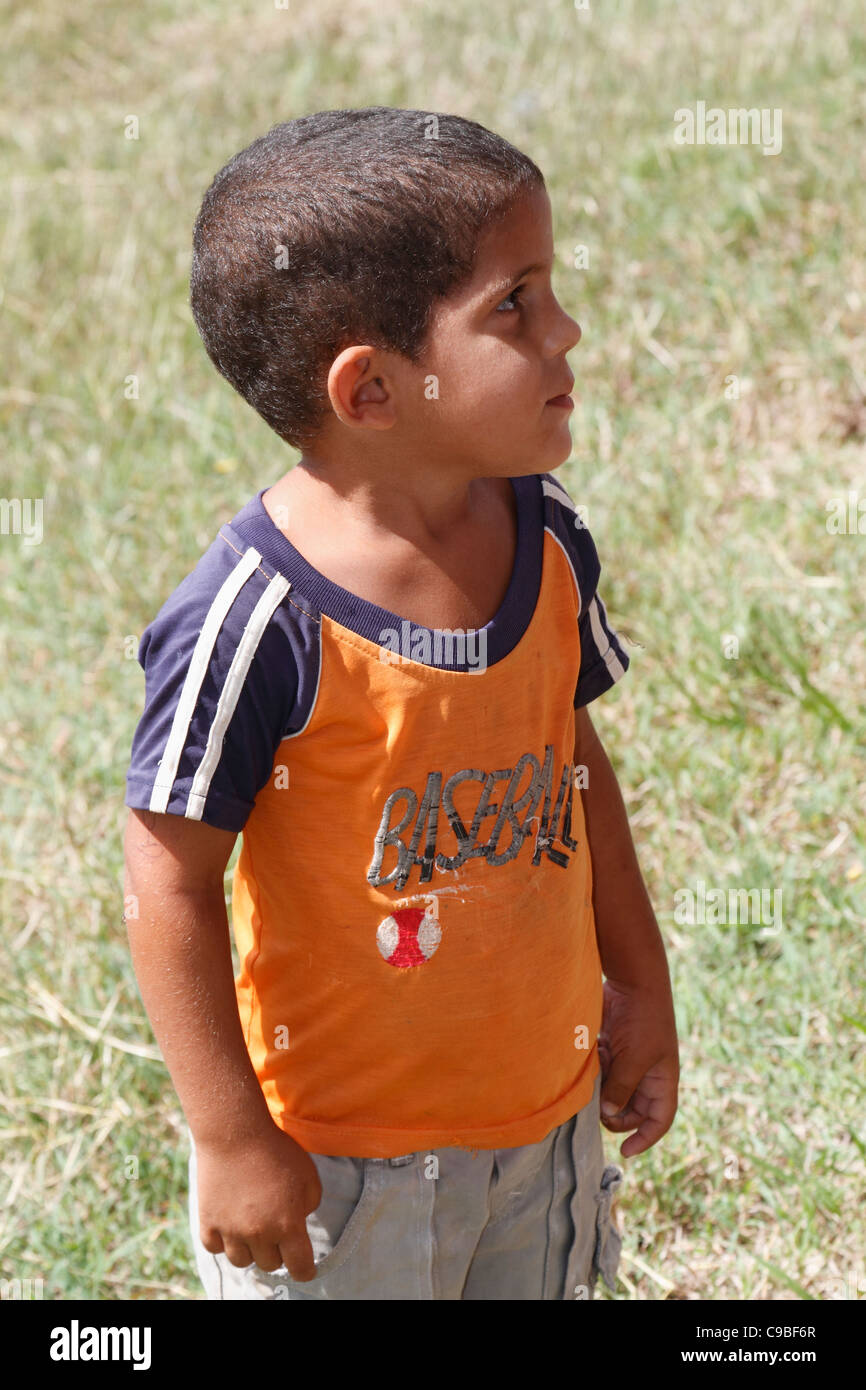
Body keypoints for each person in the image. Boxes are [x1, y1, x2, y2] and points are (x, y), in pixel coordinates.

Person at [122, 106, 679, 1301]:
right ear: (372, 390)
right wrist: (229, 1139)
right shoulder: (255, 617)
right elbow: (166, 879)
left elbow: (571, 761)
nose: (565, 328)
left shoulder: (545, 535)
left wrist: (636, 979)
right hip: (335, 1173)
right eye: (514, 305)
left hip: (540, 1126)